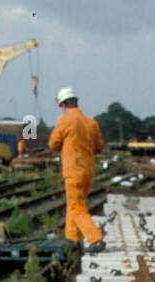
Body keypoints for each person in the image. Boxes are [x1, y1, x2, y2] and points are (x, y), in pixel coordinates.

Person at [47, 88, 105, 250]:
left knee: (76, 207)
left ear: (64, 105)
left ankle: (95, 238)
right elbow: (99, 146)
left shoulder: (64, 121)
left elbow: (53, 144)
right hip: (88, 171)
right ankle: (72, 239)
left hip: (73, 171)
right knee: (75, 204)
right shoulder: (91, 123)